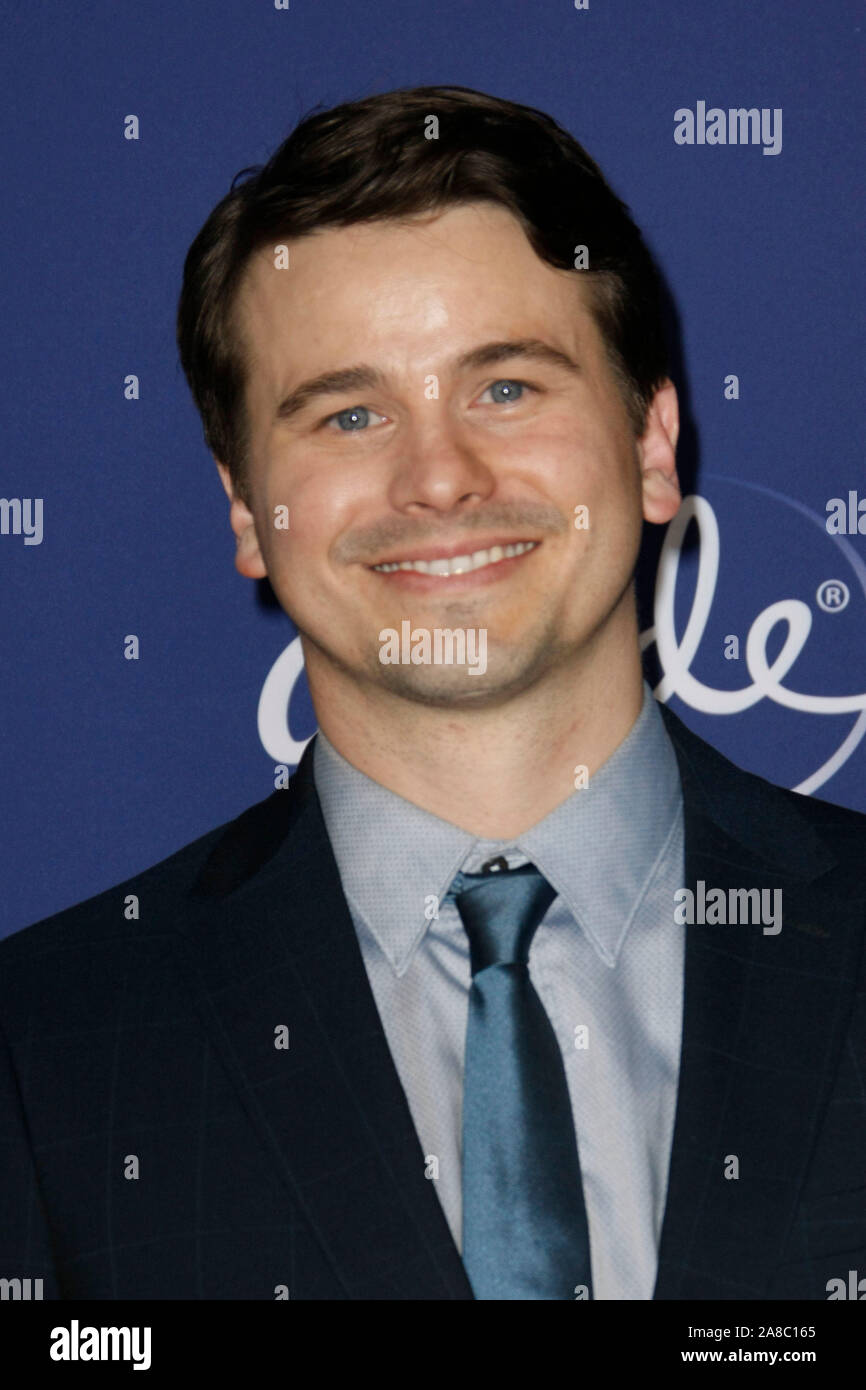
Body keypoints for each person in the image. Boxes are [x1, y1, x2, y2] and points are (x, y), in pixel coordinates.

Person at [1, 85, 864, 1302]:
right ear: (249, 509)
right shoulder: (44, 1049)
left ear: (651, 443)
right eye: (349, 413)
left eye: (504, 386)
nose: (440, 477)